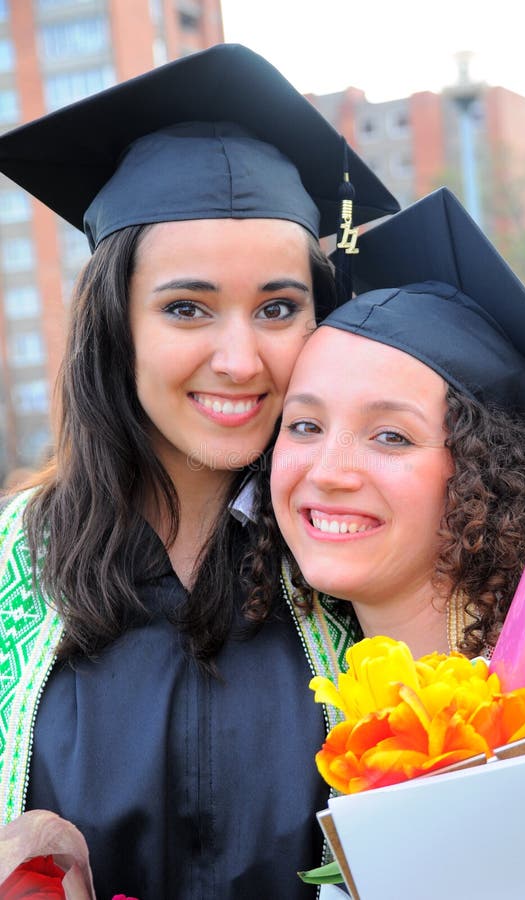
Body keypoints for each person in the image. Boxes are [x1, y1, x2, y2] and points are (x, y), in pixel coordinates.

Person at [0, 44, 398, 900]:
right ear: (119, 325)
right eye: (187, 307)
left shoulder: (372, 558)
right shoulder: (10, 569)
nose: (240, 357)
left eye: (278, 308)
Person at [271, 188, 525, 675]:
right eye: (304, 426)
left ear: (489, 473)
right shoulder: (299, 706)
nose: (328, 471)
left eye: (390, 437)